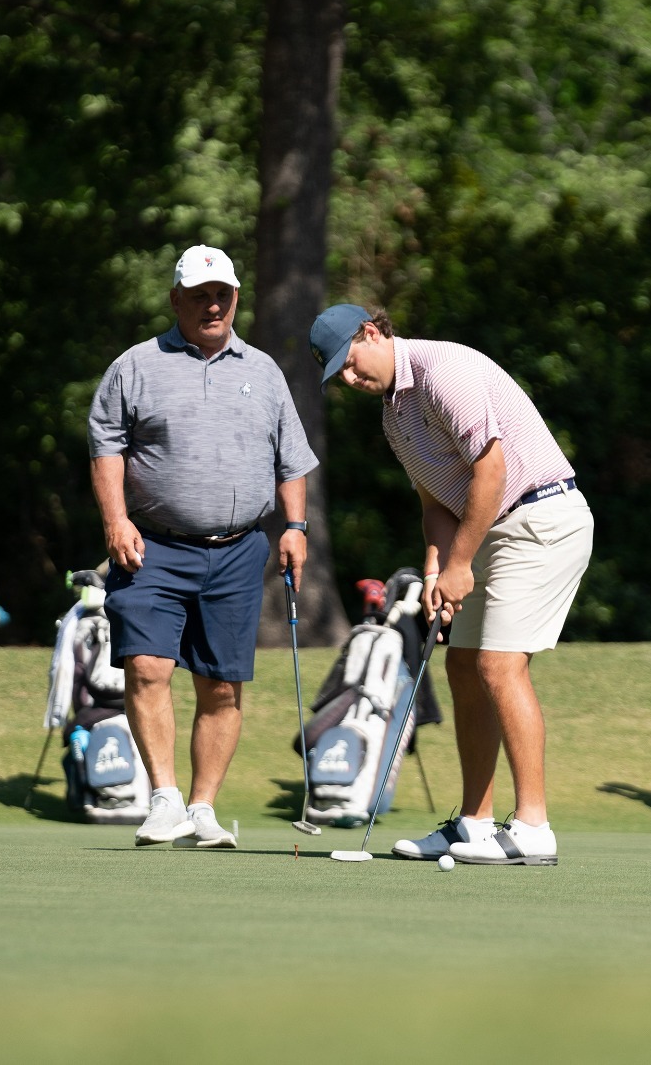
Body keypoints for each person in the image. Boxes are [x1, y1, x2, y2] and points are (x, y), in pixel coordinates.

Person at [308, 304, 593, 865]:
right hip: (487, 530)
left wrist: (460, 563)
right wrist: (437, 569)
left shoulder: (444, 372)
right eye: (339, 374)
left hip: (540, 518)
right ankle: (475, 824)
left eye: (351, 362)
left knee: (498, 665)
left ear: (372, 332)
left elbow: (492, 470)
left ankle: (534, 827)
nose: (350, 378)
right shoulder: (394, 415)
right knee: (462, 666)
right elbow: (435, 501)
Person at [88, 245, 317, 847]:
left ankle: (203, 807)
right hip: (153, 546)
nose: (213, 306)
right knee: (147, 667)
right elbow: (105, 447)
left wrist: (295, 528)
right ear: (176, 300)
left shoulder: (263, 371)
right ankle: (164, 799)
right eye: (200, 296)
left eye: (223, 295)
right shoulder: (135, 366)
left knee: (221, 684)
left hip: (238, 550)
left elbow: (291, 460)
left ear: (236, 298)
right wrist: (115, 521)